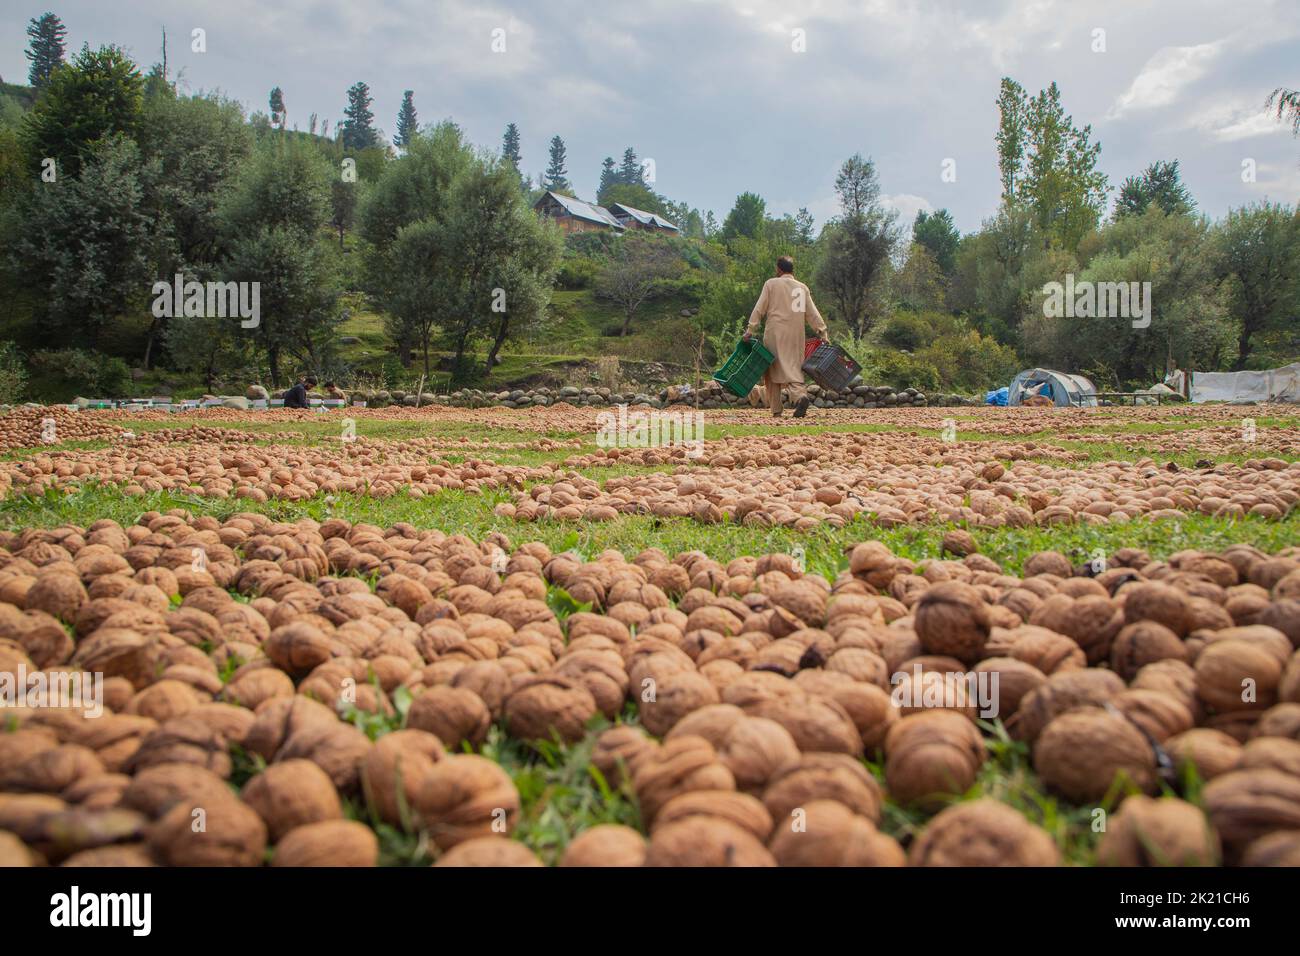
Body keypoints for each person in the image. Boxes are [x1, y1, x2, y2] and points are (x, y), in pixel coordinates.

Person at [743, 255, 829, 417]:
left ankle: (776, 410)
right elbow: (812, 313)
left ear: (779, 269)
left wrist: (750, 329)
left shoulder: (771, 284)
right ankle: (800, 396)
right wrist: (822, 331)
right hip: (797, 335)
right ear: (792, 270)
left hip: (775, 333)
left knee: (772, 368)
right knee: (794, 369)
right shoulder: (802, 288)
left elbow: (759, 308)